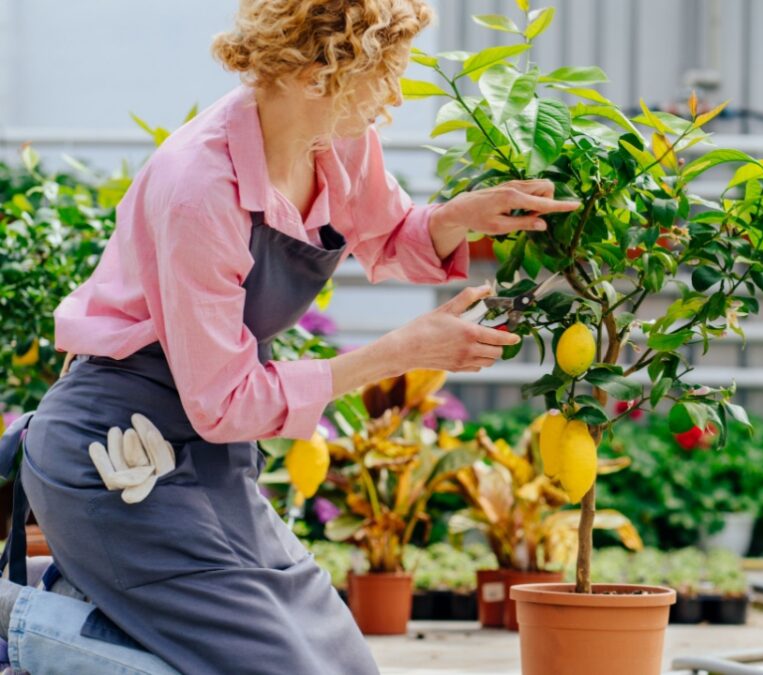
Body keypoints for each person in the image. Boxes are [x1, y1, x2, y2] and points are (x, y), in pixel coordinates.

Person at [0, 0, 579, 672]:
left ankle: (92, 599)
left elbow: (390, 235)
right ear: (315, 74)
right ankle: (22, 623)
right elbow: (223, 401)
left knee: (343, 665)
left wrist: (460, 217)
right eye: (383, 72)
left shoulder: (336, 140)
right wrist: (400, 353)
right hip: (113, 450)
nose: (395, 94)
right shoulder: (201, 187)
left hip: (211, 453)